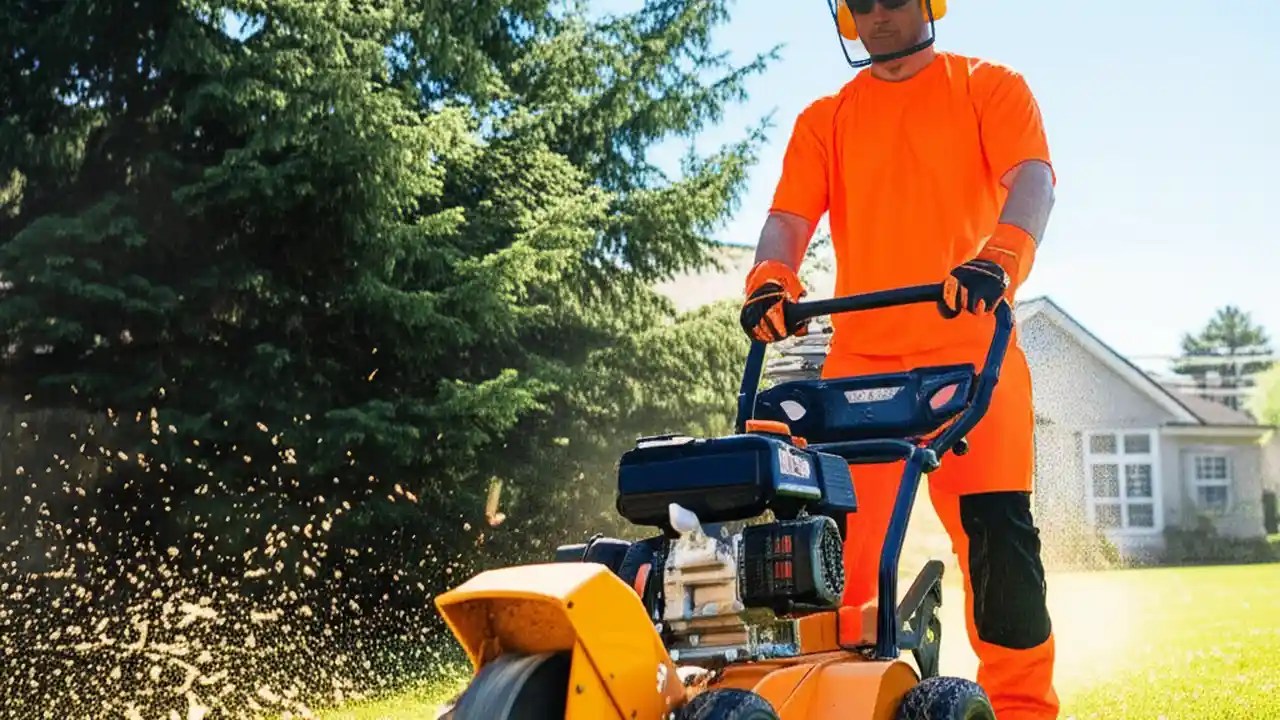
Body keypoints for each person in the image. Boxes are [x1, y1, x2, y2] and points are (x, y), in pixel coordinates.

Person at [738, 1, 1059, 718]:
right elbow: (789, 218)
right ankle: (836, 701)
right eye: (863, 3)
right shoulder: (827, 119)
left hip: (975, 356)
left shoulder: (988, 86)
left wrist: (999, 258)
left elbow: (1032, 178)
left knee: (998, 546)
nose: (878, 15)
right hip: (861, 366)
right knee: (832, 561)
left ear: (929, 2)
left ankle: (1023, 708)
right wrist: (770, 280)